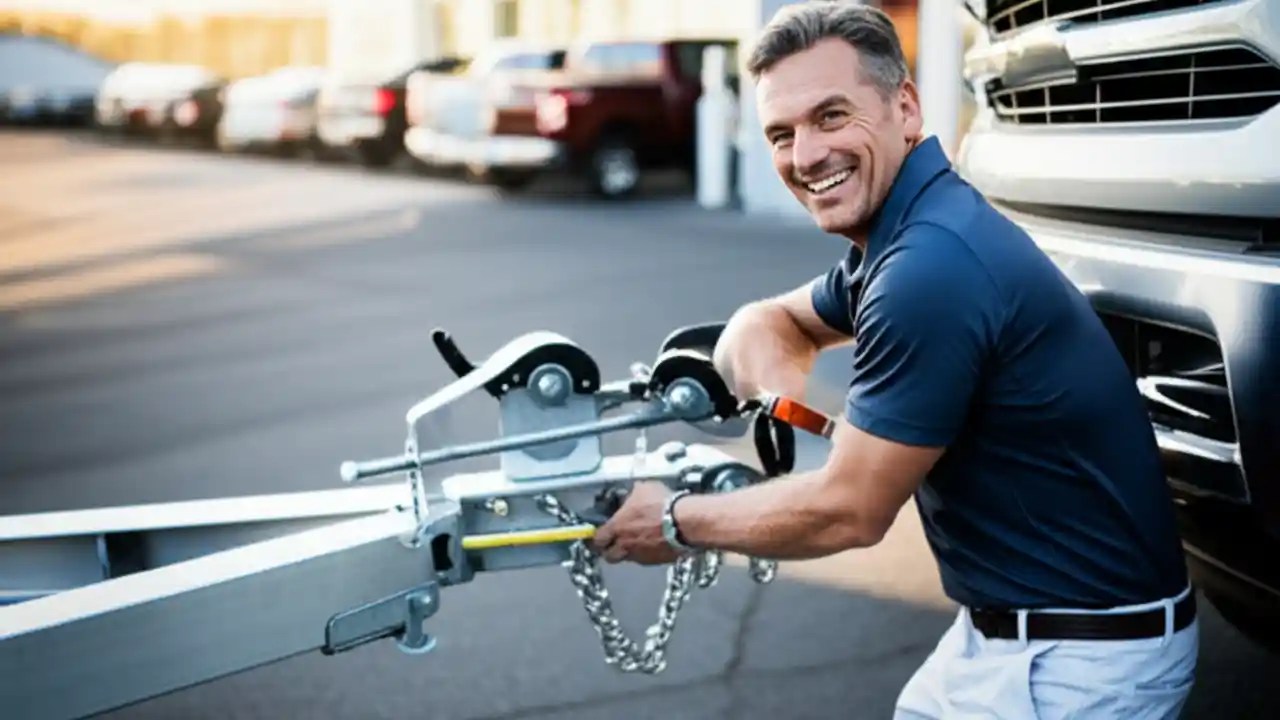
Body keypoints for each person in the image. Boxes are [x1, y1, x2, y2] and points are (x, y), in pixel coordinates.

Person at [590, 2, 1199, 717]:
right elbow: (774, 317)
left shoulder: (928, 268)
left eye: (831, 116)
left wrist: (674, 522)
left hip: (1076, 660)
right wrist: (779, 394)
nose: (806, 155)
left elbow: (849, 511)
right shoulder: (910, 225)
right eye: (781, 134)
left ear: (904, 107)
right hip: (1013, 629)